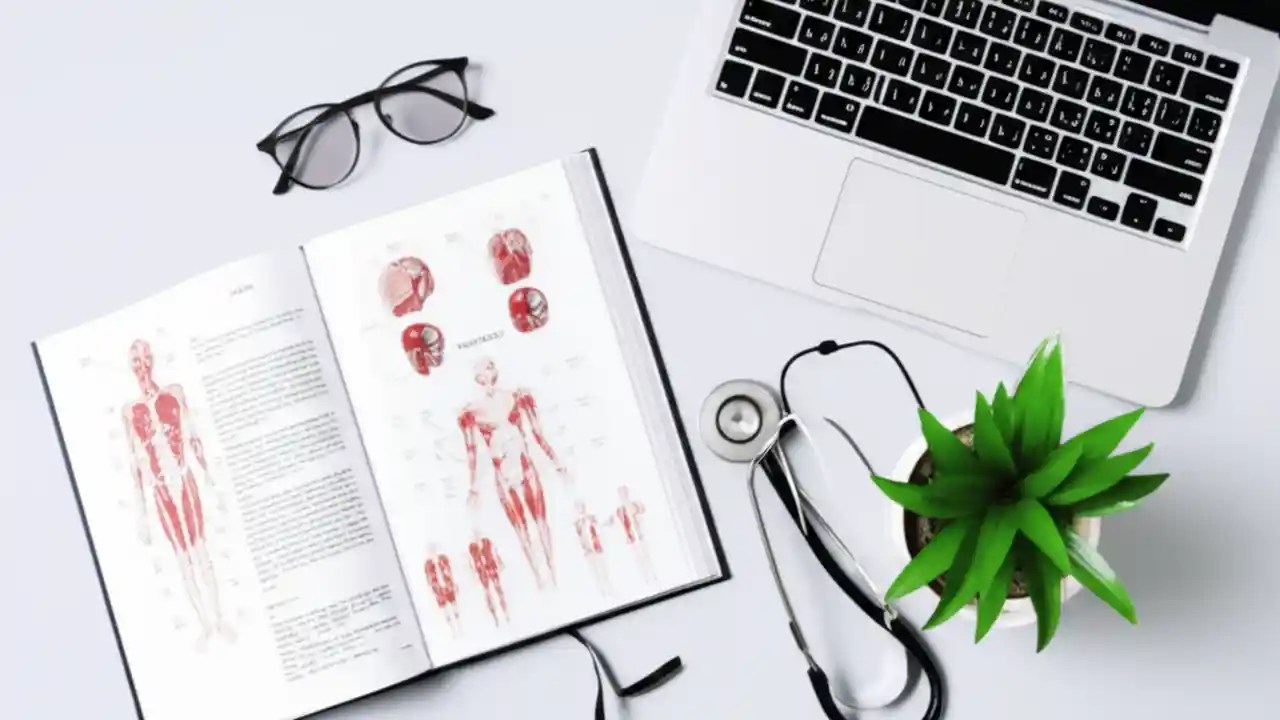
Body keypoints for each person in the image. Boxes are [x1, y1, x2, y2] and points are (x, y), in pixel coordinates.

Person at [122, 339, 233, 648]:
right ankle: (205, 624)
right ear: (129, 366)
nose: (142, 365)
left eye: (146, 357)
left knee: (201, 549)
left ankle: (220, 618)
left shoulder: (175, 393)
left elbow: (194, 436)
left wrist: (209, 475)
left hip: (185, 480)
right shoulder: (131, 411)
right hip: (161, 491)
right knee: (183, 558)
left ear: (154, 358)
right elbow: (135, 465)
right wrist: (141, 513)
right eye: (135, 360)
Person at [458, 358, 568, 588]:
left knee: (541, 522)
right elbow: (472, 452)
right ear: (476, 378)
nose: (485, 373)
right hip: (504, 475)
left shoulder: (516, 396)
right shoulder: (471, 411)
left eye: (488, 367)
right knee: (522, 530)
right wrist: (473, 487)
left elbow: (538, 434)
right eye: (480, 370)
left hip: (525, 466)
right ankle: (539, 579)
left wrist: (557, 461)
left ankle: (555, 574)